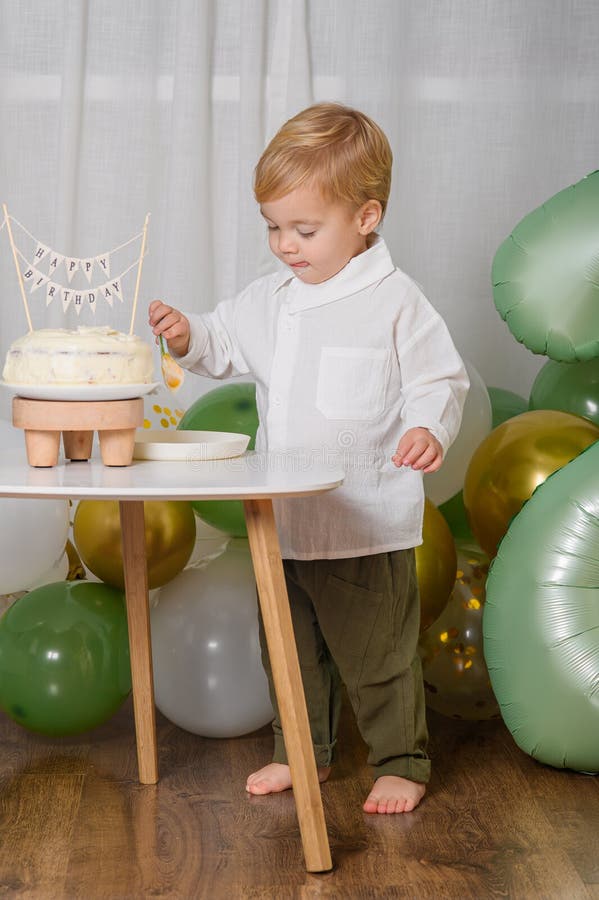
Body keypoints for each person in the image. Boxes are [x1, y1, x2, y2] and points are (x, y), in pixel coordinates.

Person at [149, 102, 469, 815]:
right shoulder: (268, 299)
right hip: (285, 524)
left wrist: (428, 426)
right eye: (272, 227)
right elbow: (220, 339)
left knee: (377, 656)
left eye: (304, 229)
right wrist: (185, 335)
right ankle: (301, 750)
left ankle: (401, 760)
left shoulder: (394, 301)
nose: (285, 245)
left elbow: (439, 379)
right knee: (289, 654)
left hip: (362, 525)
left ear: (365, 217)